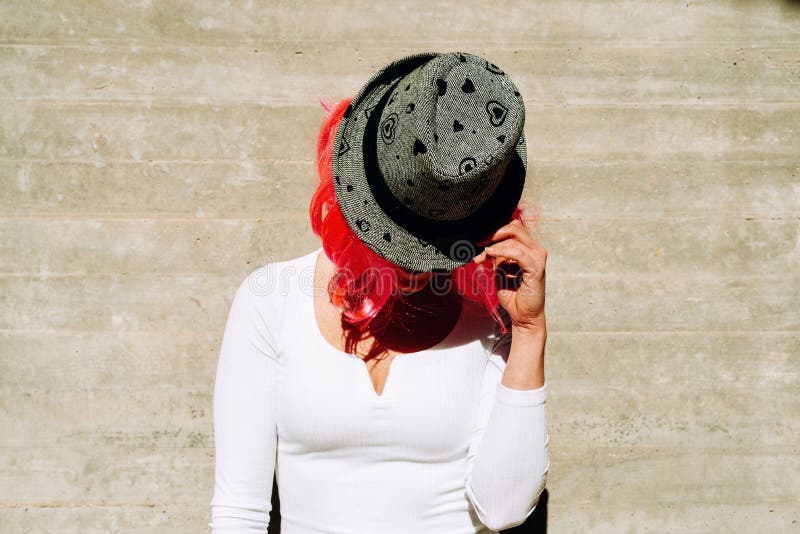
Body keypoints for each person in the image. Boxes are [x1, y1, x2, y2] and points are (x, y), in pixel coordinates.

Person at [209, 51, 549, 533]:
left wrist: (529, 331)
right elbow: (238, 511)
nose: (414, 264)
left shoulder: (490, 318)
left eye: (433, 245)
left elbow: (504, 508)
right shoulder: (269, 303)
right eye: (401, 238)